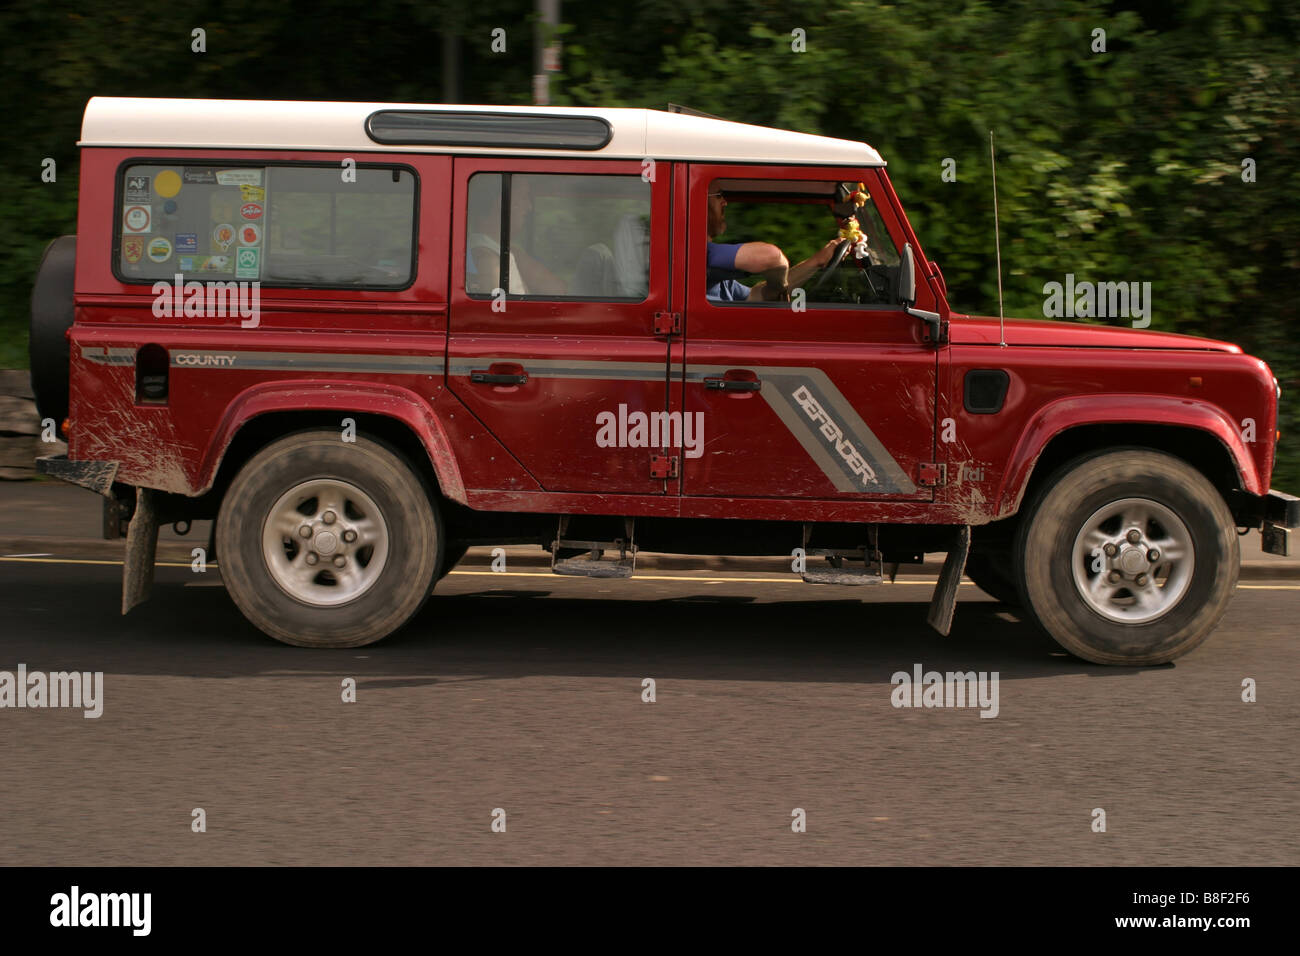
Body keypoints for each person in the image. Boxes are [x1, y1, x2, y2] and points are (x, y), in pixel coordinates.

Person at [705, 188, 841, 302]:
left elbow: (755, 296)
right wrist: (779, 285)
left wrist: (817, 261)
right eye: (718, 196)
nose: (725, 202)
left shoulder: (719, 275)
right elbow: (771, 257)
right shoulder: (700, 255)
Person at [466, 175, 566, 296]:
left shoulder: (502, 251)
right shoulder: (486, 259)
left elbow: (557, 290)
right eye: (524, 197)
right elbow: (500, 309)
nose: (529, 207)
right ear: (503, 202)